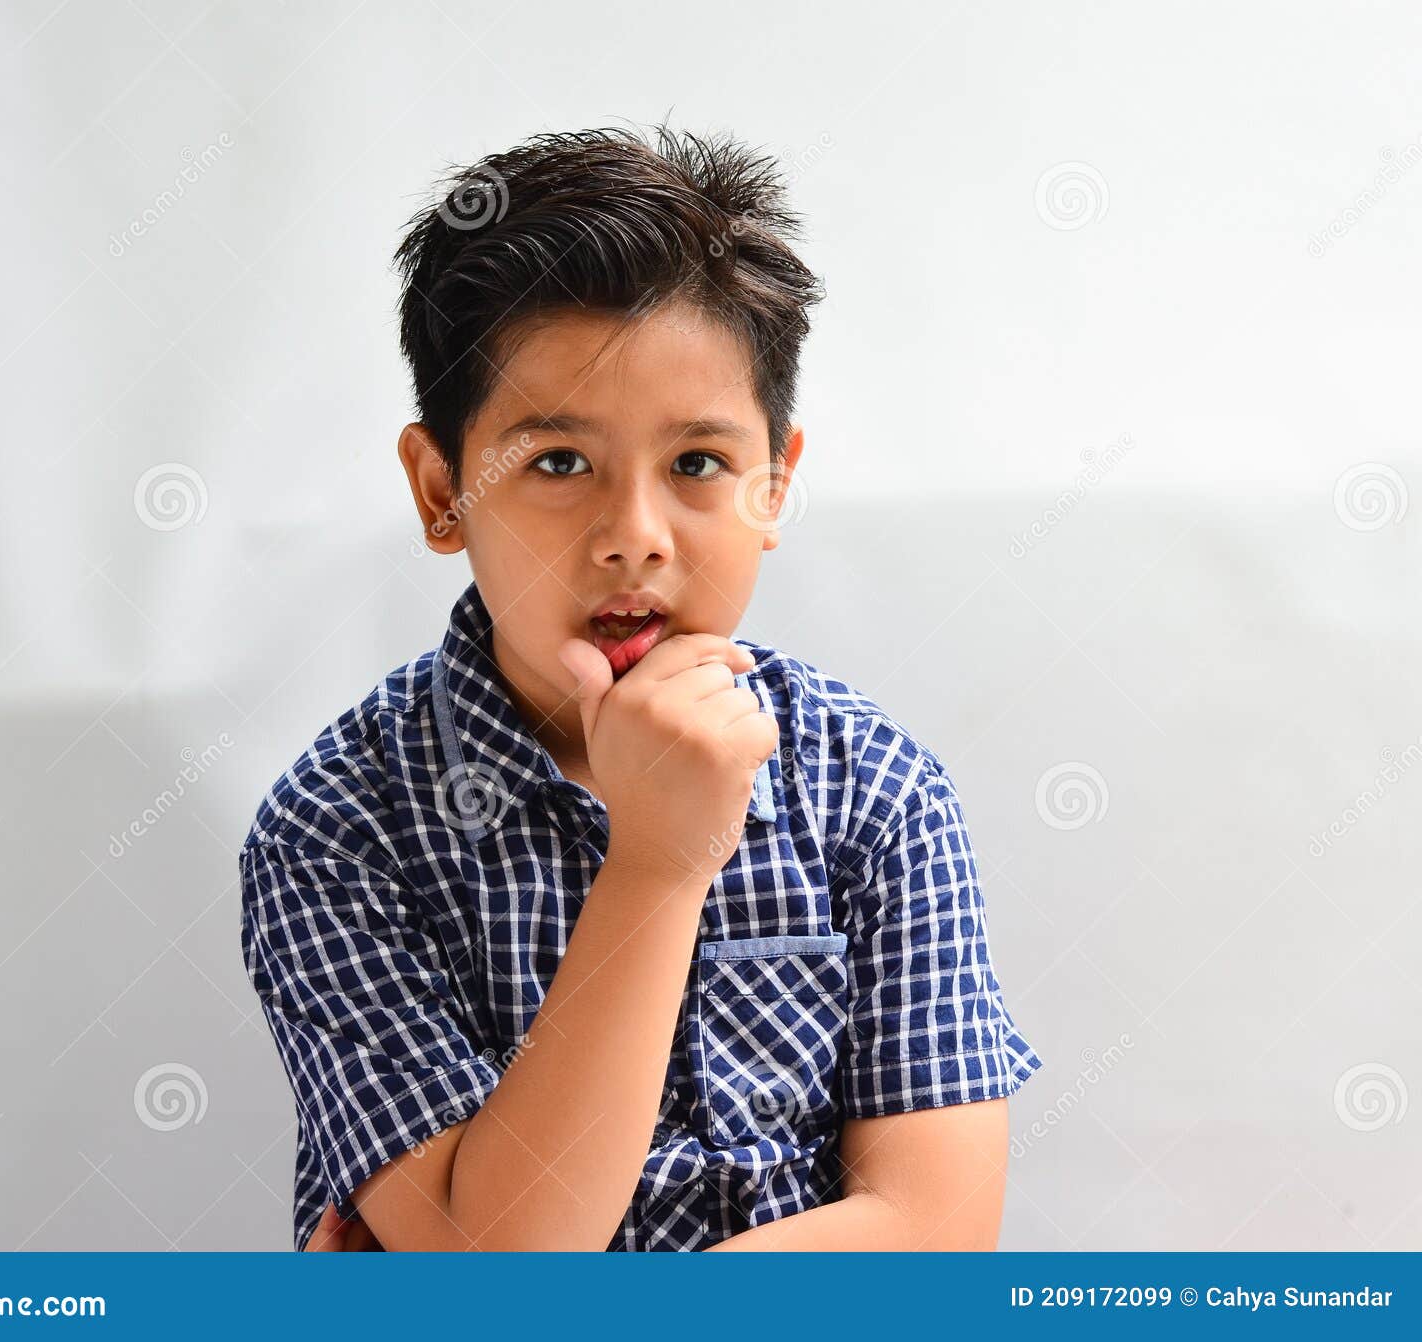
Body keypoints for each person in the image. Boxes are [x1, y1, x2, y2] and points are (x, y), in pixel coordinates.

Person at [239, 124, 1043, 1252]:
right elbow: (496, 1266)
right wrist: (658, 863)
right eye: (558, 463)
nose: (634, 538)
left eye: (698, 464)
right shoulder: (338, 824)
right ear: (441, 492)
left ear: (774, 486)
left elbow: (935, 1235)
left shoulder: (876, 789)